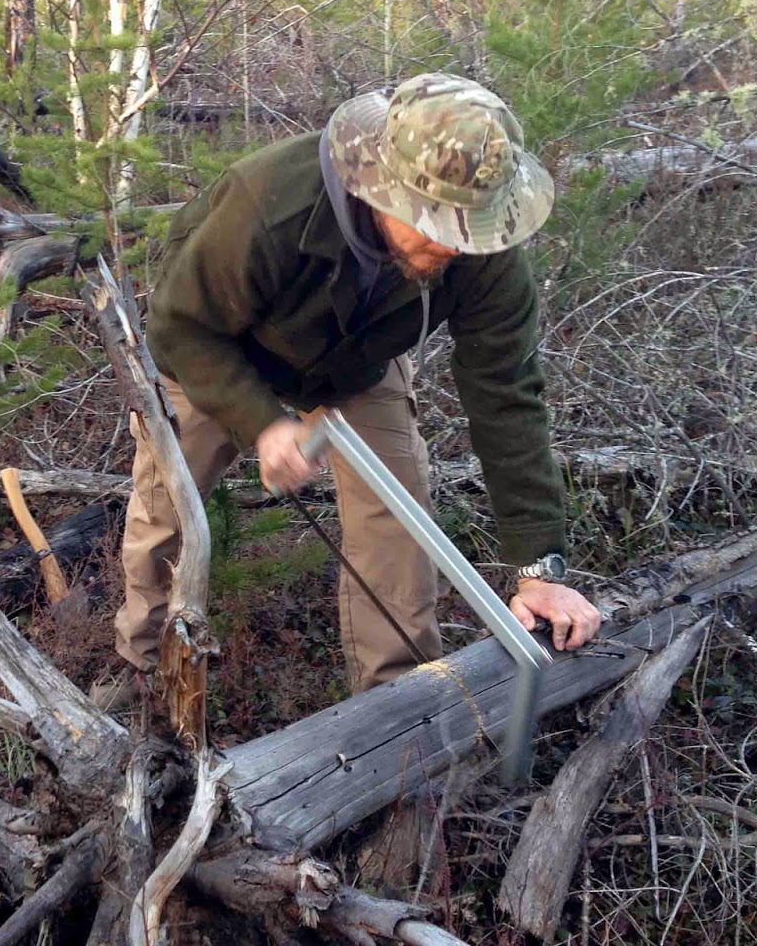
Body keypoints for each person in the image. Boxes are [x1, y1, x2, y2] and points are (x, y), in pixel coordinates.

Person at [93, 74, 603, 710]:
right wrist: (262, 422)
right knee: (169, 504)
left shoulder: (481, 246)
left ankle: (395, 707)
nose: (451, 245)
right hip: (220, 348)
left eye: (466, 228)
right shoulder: (269, 202)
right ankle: (139, 667)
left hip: (357, 365)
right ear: (382, 187)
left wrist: (538, 567)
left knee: (398, 518)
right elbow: (180, 326)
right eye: (434, 224)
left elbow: (507, 396)